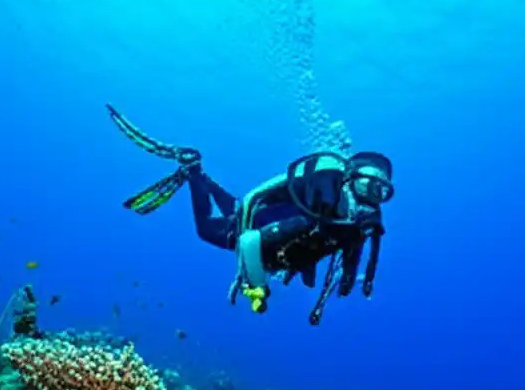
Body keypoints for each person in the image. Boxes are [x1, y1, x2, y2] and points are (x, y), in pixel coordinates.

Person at [106, 104, 393, 325]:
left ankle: (197, 172)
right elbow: (248, 242)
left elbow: (346, 261)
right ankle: (193, 172)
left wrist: (346, 284)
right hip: (257, 228)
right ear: (350, 181)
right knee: (206, 229)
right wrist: (255, 286)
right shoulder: (315, 216)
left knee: (237, 208)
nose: (371, 201)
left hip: (263, 218)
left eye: (381, 193)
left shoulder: (353, 228)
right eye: (368, 187)